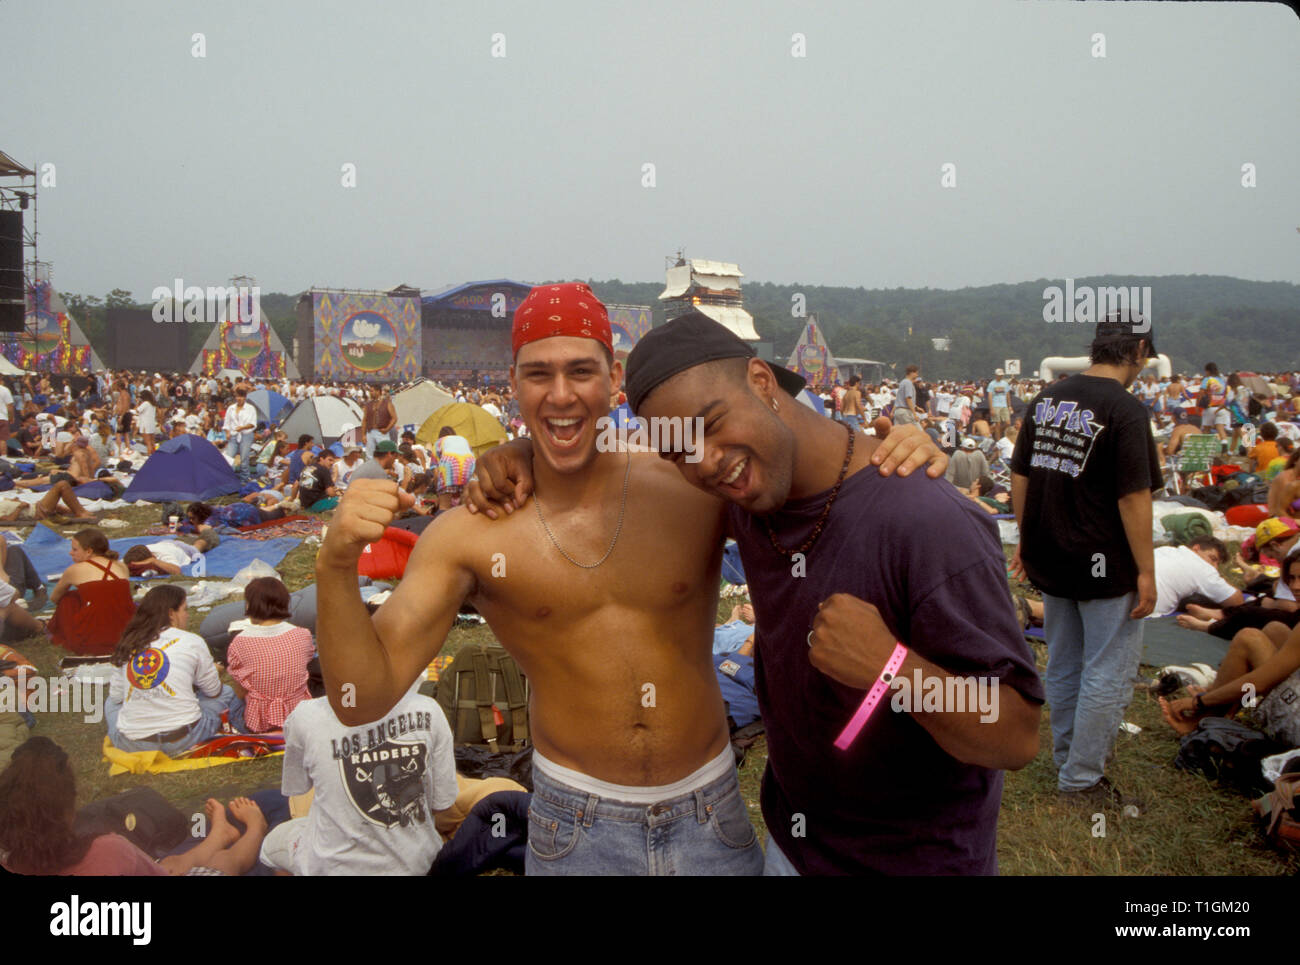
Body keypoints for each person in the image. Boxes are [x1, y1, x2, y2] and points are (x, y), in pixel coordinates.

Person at [323, 284, 951, 875]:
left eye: (581, 371)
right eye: (538, 374)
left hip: (711, 810)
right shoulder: (469, 534)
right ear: (513, 383)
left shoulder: (686, 480)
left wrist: (895, 453)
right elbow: (362, 701)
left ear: (614, 379)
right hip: (576, 826)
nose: (560, 394)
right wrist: (335, 562)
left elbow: (804, 478)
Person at [469, 310, 1038, 875]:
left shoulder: (924, 517)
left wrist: (892, 670)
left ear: (763, 382)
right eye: (679, 451)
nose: (707, 461)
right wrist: (520, 455)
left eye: (714, 424)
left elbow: (1014, 734)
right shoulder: (747, 496)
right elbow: (601, 459)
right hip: (792, 848)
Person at [1009, 312, 1162, 808]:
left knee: (1067, 662)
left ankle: (1069, 760)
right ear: (1138, 352)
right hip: (1103, 560)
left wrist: (1025, 543)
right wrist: (1146, 570)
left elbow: (1021, 477)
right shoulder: (1126, 409)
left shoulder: (1048, 398)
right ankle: (1081, 779)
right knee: (1106, 670)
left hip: (1052, 554)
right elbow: (1133, 498)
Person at [258, 678, 458, 876]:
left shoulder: (306, 715)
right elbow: (442, 804)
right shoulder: (429, 709)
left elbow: (298, 788)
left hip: (332, 866)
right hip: (419, 864)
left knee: (270, 846)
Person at [0, 736, 267, 876]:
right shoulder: (107, 850)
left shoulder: (10, 864)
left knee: (170, 864)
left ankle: (219, 835)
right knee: (223, 863)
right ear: (68, 809)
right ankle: (256, 827)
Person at [105, 584, 245, 754]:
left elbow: (117, 696)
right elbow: (213, 691)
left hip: (134, 745)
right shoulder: (191, 641)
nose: (187, 616)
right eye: (185, 610)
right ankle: (241, 728)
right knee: (227, 692)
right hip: (187, 738)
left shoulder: (129, 642)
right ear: (171, 613)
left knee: (110, 702)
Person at [225, 577, 315, 732]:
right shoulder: (303, 634)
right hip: (299, 714)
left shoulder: (239, 642)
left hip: (259, 721)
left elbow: (241, 690)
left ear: (250, 605)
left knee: (227, 698)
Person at [1150, 537, 1244, 619]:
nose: (1215, 567)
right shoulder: (1203, 568)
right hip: (1150, 613)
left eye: (1217, 564)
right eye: (1213, 558)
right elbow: (1237, 601)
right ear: (1196, 548)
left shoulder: (1165, 550)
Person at [433, 426, 476, 511]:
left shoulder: (438, 443)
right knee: (464, 506)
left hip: (449, 463)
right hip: (470, 463)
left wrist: (439, 491)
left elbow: (435, 473)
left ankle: (445, 522)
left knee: (444, 507)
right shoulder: (463, 440)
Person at [223, 389, 258, 476]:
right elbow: (226, 423)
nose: (239, 398)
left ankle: (244, 479)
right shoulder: (231, 408)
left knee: (244, 459)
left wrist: (242, 427)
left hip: (246, 435)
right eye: (238, 396)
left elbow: (253, 423)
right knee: (229, 457)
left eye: (241, 397)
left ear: (245, 397)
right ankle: (228, 477)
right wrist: (227, 433)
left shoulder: (250, 408)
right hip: (233, 435)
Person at [363, 385, 398, 457]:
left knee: (385, 453)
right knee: (370, 455)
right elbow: (364, 420)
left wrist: (387, 429)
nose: (370, 393)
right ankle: (371, 468)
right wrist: (363, 435)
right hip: (370, 432)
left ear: (378, 391)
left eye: (372, 391)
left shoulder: (387, 403)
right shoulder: (368, 405)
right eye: (370, 391)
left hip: (382, 432)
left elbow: (394, 418)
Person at [987, 368, 1011, 438]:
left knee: (1008, 423)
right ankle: (998, 439)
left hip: (1004, 405)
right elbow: (990, 396)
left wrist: (1009, 405)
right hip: (995, 405)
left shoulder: (1005, 383)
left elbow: (1007, 395)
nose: (1000, 376)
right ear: (996, 375)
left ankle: (998, 432)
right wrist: (991, 408)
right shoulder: (992, 384)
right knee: (998, 423)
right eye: (999, 375)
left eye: (1001, 375)